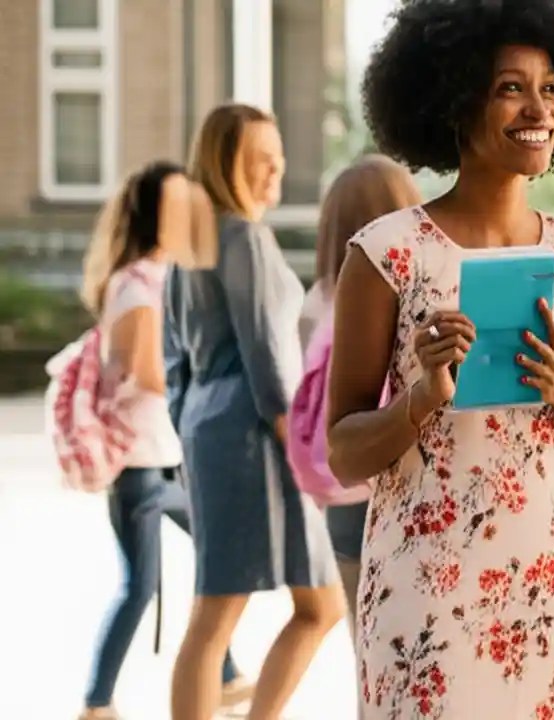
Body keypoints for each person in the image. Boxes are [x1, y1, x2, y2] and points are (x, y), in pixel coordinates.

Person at [324, 1, 554, 717]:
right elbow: (342, 452)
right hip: (424, 595)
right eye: (510, 87)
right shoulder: (386, 254)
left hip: (550, 592)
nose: (538, 108)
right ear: (455, 100)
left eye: (550, 88)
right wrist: (421, 398)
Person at [165, 103, 345, 720]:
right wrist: (304, 452)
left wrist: (190, 432)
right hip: (253, 434)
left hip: (209, 430)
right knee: (230, 611)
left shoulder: (188, 243)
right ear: (226, 165)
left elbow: (174, 366)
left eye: (278, 158)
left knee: (244, 608)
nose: (275, 172)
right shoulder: (244, 236)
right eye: (259, 161)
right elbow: (268, 358)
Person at [76, 162, 251, 720]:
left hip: (163, 460)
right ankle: (97, 702)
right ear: (156, 216)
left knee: (215, 554)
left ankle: (222, 673)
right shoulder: (138, 283)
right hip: (138, 466)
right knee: (141, 584)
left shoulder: (157, 275)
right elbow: (152, 371)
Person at [300, 154, 423, 720]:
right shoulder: (408, 291)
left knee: (370, 657)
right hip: (399, 489)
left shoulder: (317, 299)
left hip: (339, 494)